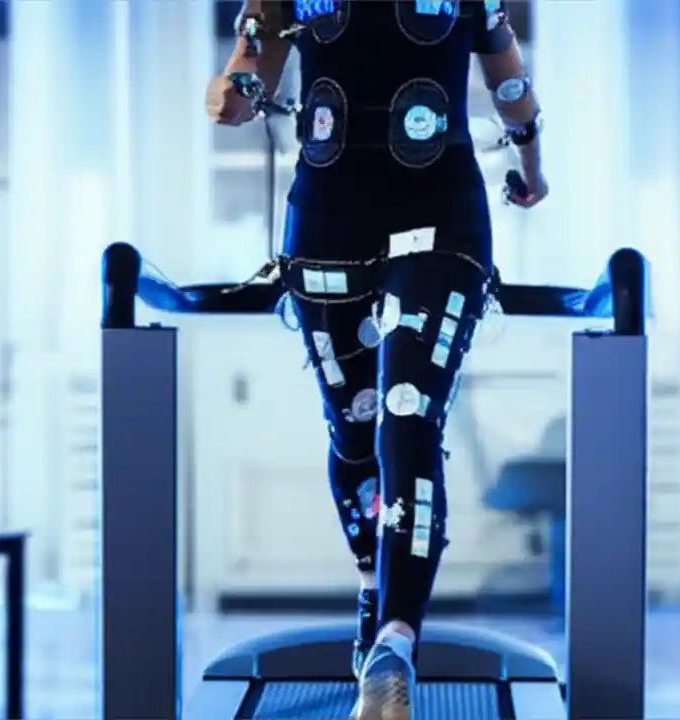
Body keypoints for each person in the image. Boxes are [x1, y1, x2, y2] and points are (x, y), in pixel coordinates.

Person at [205, 2, 545, 717]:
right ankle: (376, 594)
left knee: (406, 418)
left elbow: (506, 74)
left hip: (441, 217)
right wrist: (238, 80)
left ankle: (395, 640)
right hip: (326, 221)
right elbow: (238, 96)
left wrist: (531, 162)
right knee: (357, 429)